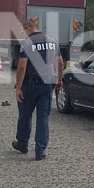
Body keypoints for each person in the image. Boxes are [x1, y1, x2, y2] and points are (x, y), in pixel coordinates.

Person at [11, 19, 64, 161]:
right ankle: (40, 151)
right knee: (43, 118)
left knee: (25, 115)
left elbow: (22, 67)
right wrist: (59, 80)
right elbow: (60, 63)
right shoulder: (52, 41)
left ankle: (22, 144)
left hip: (30, 84)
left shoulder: (27, 43)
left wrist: (19, 87)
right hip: (47, 84)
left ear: (28, 27)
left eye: (23, 31)